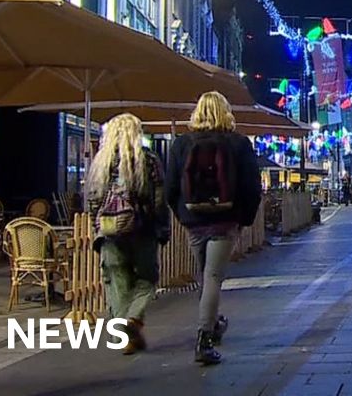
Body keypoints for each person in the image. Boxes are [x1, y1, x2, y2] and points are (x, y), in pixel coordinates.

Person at [167, 91, 261, 366]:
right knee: (213, 277)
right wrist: (244, 219)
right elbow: (251, 187)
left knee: (205, 275)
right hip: (225, 219)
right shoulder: (238, 143)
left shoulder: (182, 144)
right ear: (226, 112)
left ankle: (213, 322)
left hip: (194, 221)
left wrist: (182, 215)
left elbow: (171, 188)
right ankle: (204, 337)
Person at [85, 113, 170, 355]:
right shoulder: (149, 160)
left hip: (110, 232)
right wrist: (162, 229)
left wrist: (96, 229)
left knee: (117, 282)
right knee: (147, 278)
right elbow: (159, 201)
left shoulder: (101, 162)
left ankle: (124, 331)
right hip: (142, 230)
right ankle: (132, 320)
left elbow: (92, 200)